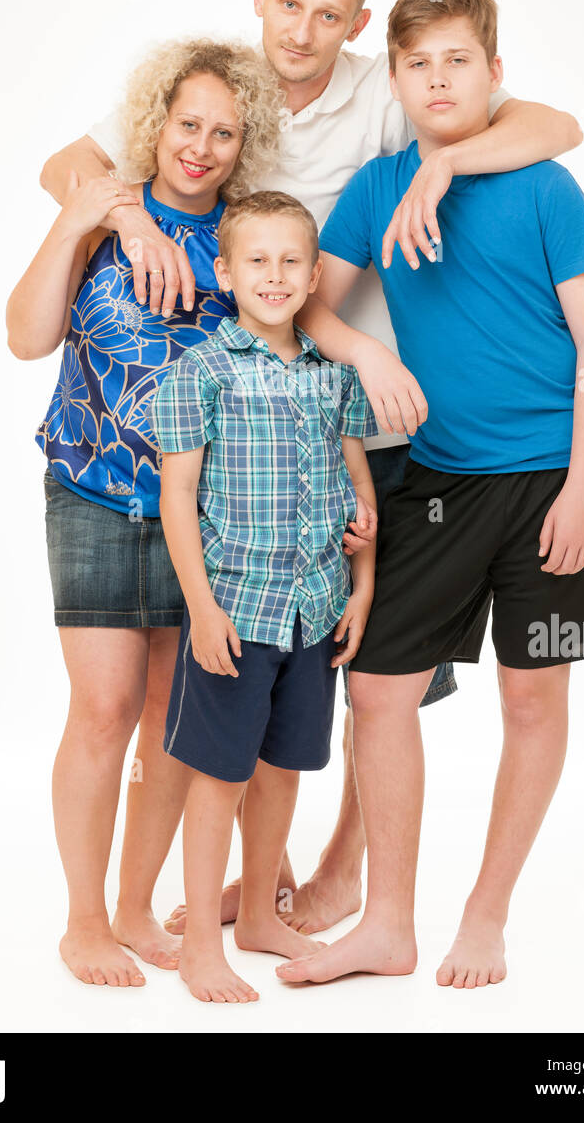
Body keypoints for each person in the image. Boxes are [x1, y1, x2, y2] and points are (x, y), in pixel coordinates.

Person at [39, 0, 584, 936]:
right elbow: (67, 160)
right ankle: (251, 871)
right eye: (289, 5)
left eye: (329, 13)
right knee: (251, 653)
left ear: (357, 24)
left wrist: (442, 163)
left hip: (372, 421)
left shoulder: (386, 89)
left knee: (374, 673)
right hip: (245, 427)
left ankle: (339, 875)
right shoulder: (222, 92)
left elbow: (556, 125)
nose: (304, 30)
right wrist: (130, 221)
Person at [278, 0, 584, 989]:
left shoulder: (544, 187)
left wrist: (579, 486)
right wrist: (367, 357)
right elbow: (311, 309)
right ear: (392, 78)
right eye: (417, 64)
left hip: (554, 477)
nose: (437, 79)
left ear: (493, 74)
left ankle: (484, 913)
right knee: (376, 686)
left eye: (457, 61)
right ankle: (385, 922)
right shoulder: (375, 186)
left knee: (530, 699)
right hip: (437, 478)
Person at [5, 38, 284, 986]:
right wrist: (103, 216)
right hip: (88, 487)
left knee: (172, 712)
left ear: (243, 146)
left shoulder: (246, 238)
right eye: (188, 124)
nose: (200, 146)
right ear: (157, 123)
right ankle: (84, 920)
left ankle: (134, 904)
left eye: (223, 132)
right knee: (104, 707)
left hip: (192, 514)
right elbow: (26, 336)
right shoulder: (104, 206)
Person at [148, 191, 377, 1003]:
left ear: (314, 275)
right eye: (257, 261)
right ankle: (203, 948)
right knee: (219, 772)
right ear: (226, 271)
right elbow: (178, 501)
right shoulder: (201, 371)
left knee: (284, 764)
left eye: (290, 263)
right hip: (235, 614)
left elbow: (360, 492)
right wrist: (201, 609)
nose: (274, 277)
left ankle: (257, 918)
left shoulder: (335, 376)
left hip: (313, 609)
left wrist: (362, 586)